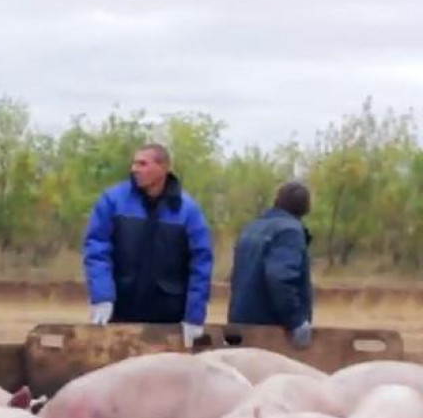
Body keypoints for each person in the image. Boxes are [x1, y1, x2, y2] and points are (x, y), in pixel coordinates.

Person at [82, 143, 214, 347]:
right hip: (120, 312)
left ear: (163, 168)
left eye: (142, 163)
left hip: (168, 319)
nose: (135, 168)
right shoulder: (112, 201)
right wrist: (102, 295)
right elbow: (97, 249)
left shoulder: (188, 211)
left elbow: (200, 264)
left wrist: (194, 317)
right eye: (134, 163)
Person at [227, 181, 314, 348]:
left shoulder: (252, 228)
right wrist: (296, 321)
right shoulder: (290, 231)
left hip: (239, 325)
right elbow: (279, 277)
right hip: (269, 331)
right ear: (306, 208)